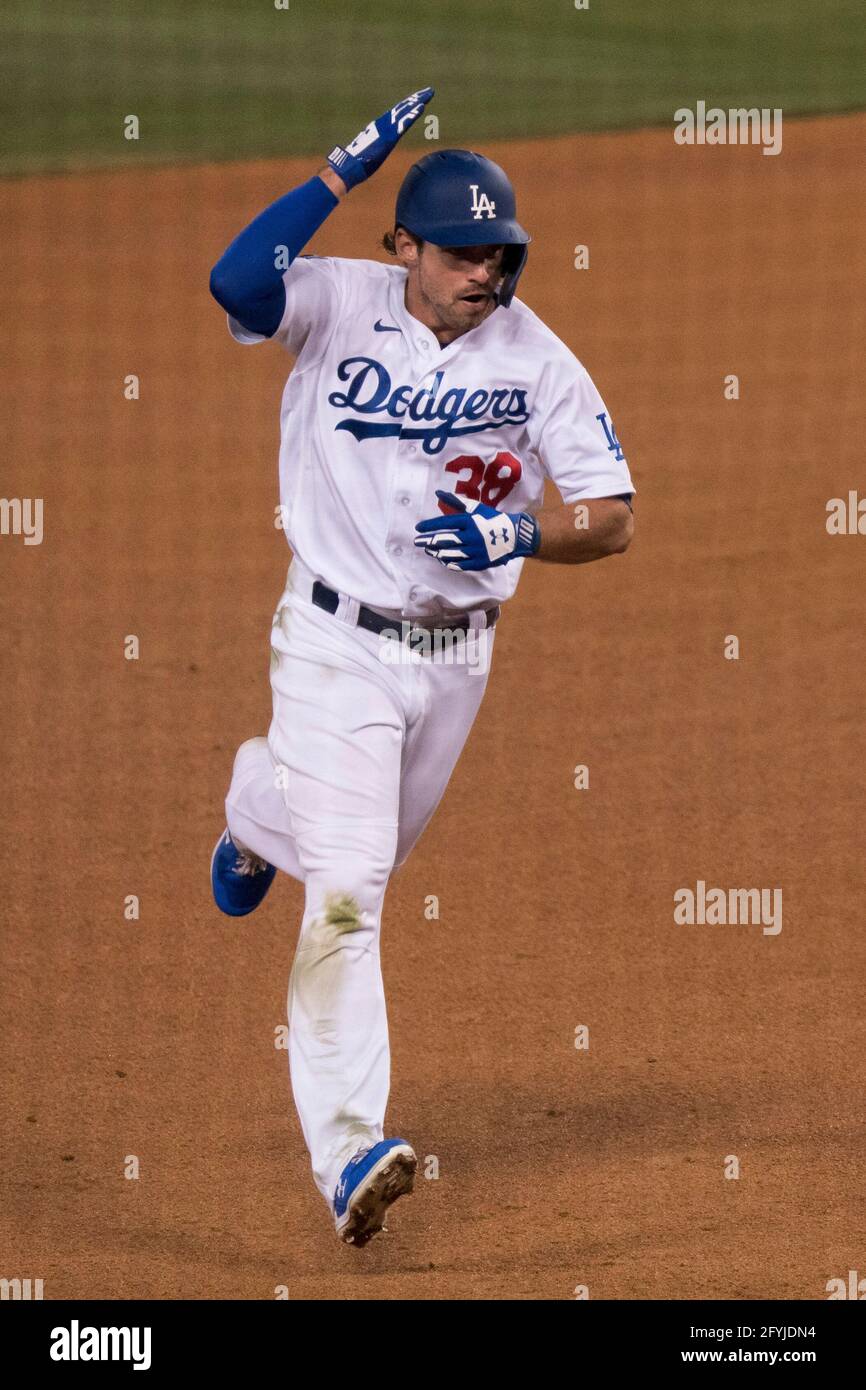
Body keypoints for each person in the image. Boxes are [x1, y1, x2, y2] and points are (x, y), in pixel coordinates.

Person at [208, 88, 635, 1247]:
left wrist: (520, 536)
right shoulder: (335, 300)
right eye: (459, 253)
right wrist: (341, 170)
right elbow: (235, 282)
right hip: (331, 644)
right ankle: (349, 1150)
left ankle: (255, 808)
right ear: (403, 246)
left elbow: (612, 516)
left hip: (453, 664)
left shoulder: (538, 361)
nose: (484, 274)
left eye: (500, 255)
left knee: (358, 858)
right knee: (350, 895)